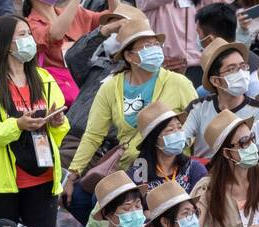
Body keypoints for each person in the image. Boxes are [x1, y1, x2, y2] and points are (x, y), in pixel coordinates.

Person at [61, 19, 199, 211]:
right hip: (130, 166)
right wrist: (72, 174)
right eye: (146, 46)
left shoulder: (179, 83)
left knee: (106, 204)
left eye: (155, 44)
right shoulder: (111, 86)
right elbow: (93, 135)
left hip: (169, 164)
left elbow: (195, 124)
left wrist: (179, 141)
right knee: (80, 199)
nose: (154, 49)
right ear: (129, 56)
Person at [0, 15, 68, 227]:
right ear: (4, 43)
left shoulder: (44, 78)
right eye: (22, 35)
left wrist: (58, 122)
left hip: (43, 176)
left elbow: (58, 132)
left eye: (29, 34)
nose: (28, 39)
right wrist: (17, 126)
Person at [182, 38, 259, 160]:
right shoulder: (198, 108)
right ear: (216, 81)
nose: (241, 73)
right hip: (204, 175)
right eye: (231, 69)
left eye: (243, 66)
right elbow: (179, 142)